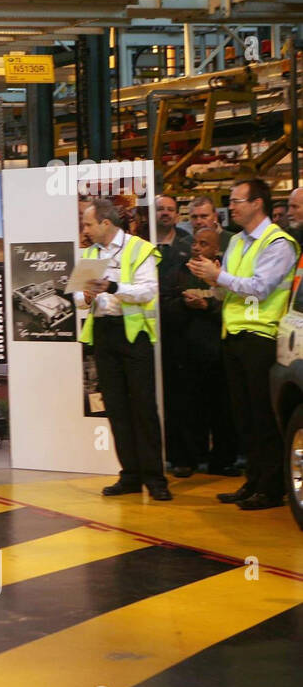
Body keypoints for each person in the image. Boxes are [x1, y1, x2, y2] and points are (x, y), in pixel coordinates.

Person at [187, 178, 300, 510]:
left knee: (263, 416)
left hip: (261, 337)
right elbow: (230, 290)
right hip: (234, 335)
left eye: (236, 201)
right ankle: (253, 480)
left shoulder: (278, 243)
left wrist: (218, 276)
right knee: (244, 416)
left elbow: (260, 288)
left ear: (257, 204)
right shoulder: (236, 241)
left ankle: (271, 487)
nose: (231, 206)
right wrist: (211, 281)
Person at [76, 197, 171, 500]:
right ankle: (129, 475)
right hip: (104, 334)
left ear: (106, 223)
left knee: (144, 408)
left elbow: (148, 291)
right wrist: (86, 296)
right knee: (116, 408)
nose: (84, 229)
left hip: (133, 335)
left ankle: (155, 479)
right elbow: (78, 298)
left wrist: (113, 287)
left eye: (88, 224)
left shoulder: (138, 248)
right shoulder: (90, 253)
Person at [177, 227, 240, 476]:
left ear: (216, 249)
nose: (196, 247)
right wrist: (183, 304)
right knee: (190, 409)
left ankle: (222, 461)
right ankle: (189, 460)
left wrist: (207, 305)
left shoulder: (227, 274)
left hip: (220, 351)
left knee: (223, 411)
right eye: (195, 242)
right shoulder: (181, 272)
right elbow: (166, 303)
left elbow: (236, 305)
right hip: (188, 352)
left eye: (204, 244)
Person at [154, 195, 196, 477]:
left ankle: (184, 457)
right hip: (147, 329)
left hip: (182, 330)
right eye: (160, 209)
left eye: (171, 209)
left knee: (182, 397)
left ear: (178, 215)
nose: (166, 213)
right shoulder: (141, 243)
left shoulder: (189, 245)